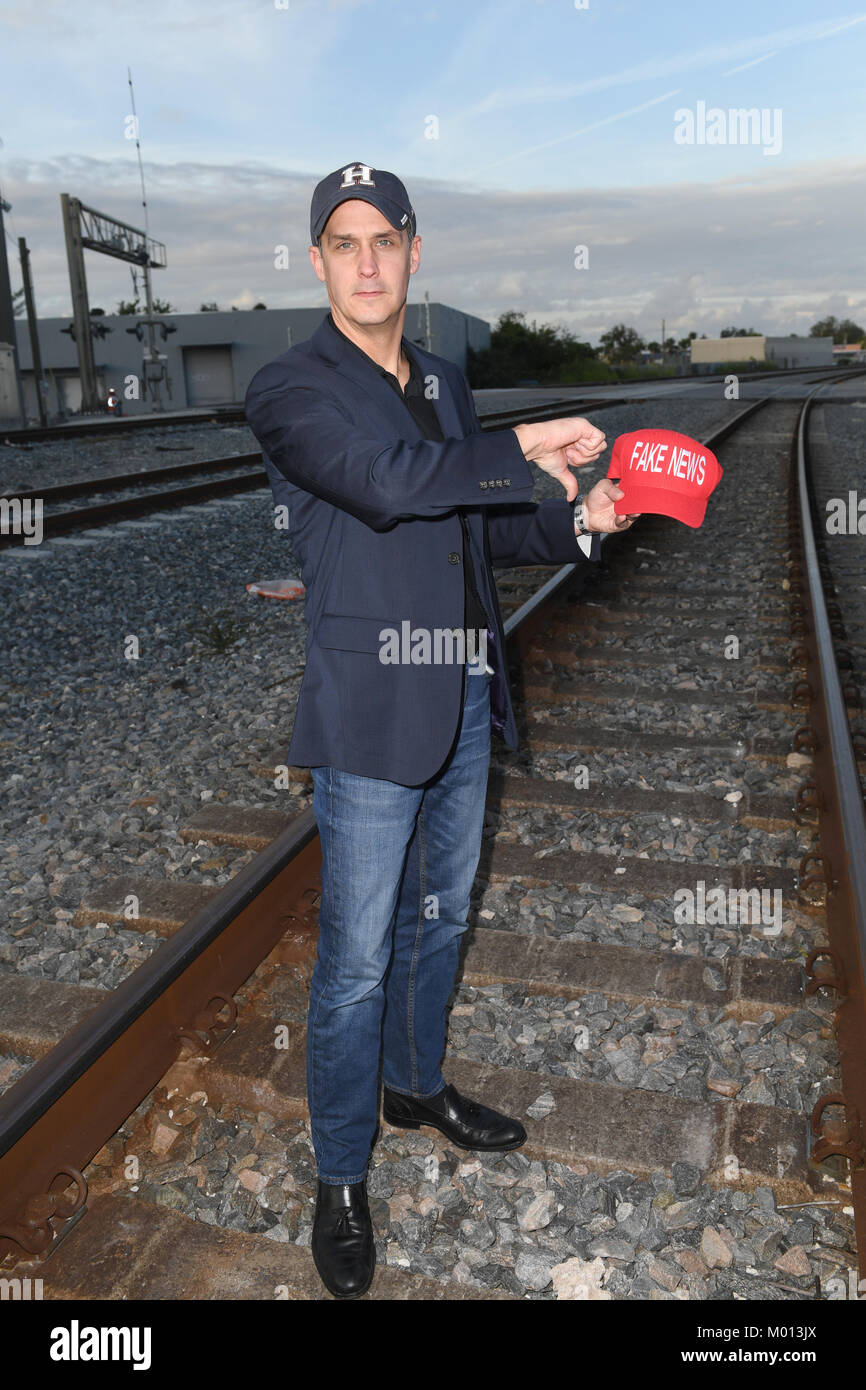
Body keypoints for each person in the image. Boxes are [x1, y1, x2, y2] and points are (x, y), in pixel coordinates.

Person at [244, 162, 639, 1299]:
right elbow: (382, 482)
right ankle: (337, 1174)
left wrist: (576, 517)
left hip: (464, 691)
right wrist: (516, 451)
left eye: (386, 240)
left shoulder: (446, 381)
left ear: (415, 253)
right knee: (355, 961)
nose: (366, 261)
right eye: (343, 242)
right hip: (371, 713)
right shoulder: (291, 386)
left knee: (438, 917)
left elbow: (474, 530)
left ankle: (415, 1086)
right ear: (317, 261)